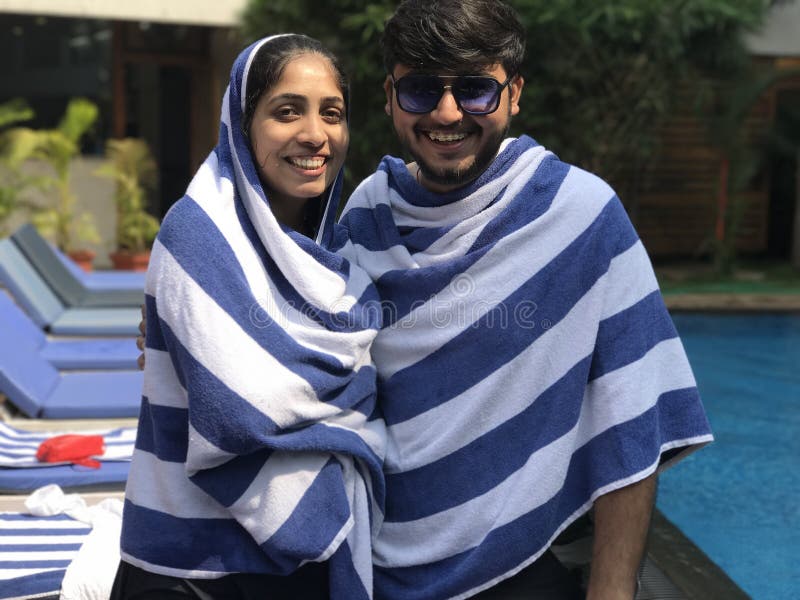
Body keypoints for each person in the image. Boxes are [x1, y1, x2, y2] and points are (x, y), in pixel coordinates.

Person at [335, 0, 714, 598]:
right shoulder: (363, 215)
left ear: (514, 94)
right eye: (421, 90)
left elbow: (633, 418)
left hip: (519, 574)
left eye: (476, 90)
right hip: (375, 568)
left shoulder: (581, 216)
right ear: (389, 96)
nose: (447, 112)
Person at [113, 34, 386, 600]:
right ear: (242, 124)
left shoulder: (338, 261)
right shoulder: (197, 234)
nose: (315, 134)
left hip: (296, 578)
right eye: (287, 111)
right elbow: (239, 413)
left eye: (331, 114)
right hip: (187, 572)